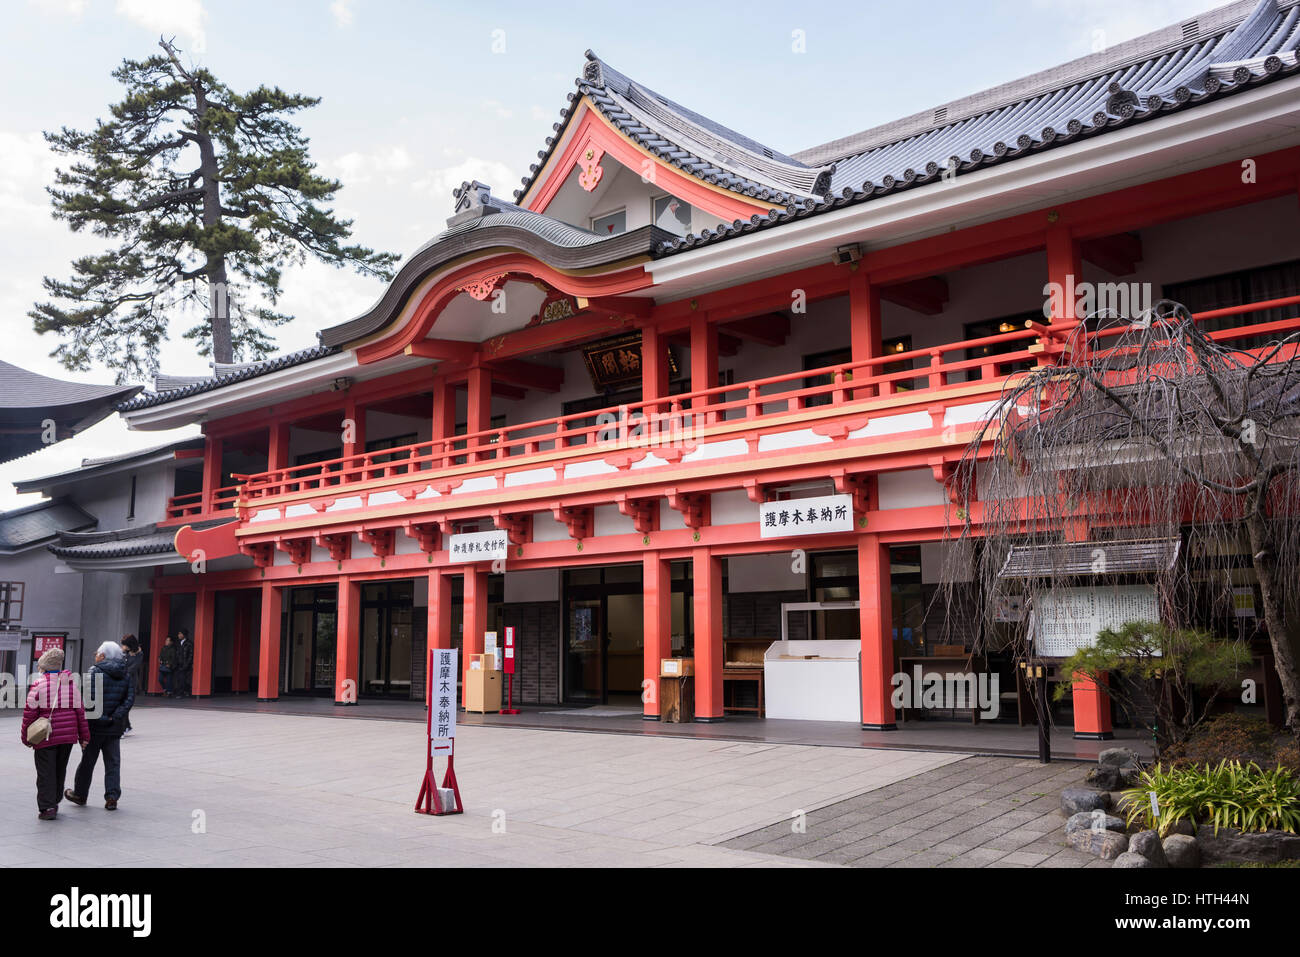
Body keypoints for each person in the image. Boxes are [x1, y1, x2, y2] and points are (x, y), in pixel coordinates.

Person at [20, 647, 90, 820]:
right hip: (67, 737)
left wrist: (26, 737)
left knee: (45, 772)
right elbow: (80, 712)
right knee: (60, 769)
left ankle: (47, 807)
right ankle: (55, 800)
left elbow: (30, 713)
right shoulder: (71, 685)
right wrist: (84, 737)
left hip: (46, 735)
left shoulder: (39, 684)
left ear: (44, 667)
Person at [65, 641, 135, 811]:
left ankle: (80, 794)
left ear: (103, 655)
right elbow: (129, 699)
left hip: (94, 727)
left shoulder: (94, 671)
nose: (95, 656)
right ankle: (112, 797)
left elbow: (88, 701)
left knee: (87, 762)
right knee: (113, 763)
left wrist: (101, 718)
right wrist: (114, 717)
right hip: (114, 726)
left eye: (97, 653)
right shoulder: (125, 674)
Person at [121, 635, 143, 733]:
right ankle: (127, 726)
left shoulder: (139, 654)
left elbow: (133, 668)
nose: (123, 647)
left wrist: (123, 673)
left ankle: (124, 726)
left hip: (131, 682)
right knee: (123, 704)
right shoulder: (125, 653)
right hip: (122, 680)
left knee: (127, 704)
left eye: (125, 645)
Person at [173, 628, 193, 699]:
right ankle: (186, 690)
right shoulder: (178, 643)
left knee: (182, 679)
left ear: (184, 635)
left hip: (185, 664)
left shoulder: (189, 643)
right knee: (179, 679)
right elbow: (176, 654)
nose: (178, 635)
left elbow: (190, 655)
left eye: (180, 633)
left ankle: (180, 693)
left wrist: (187, 664)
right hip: (178, 664)